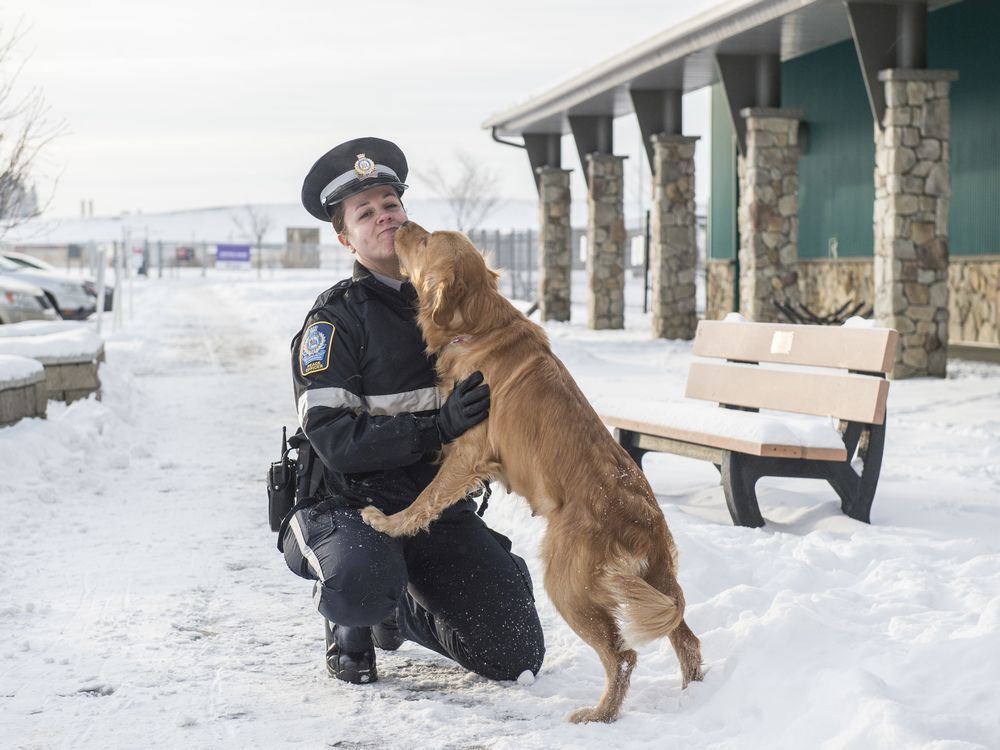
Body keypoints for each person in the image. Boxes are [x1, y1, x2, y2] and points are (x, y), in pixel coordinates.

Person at [281, 137, 545, 686]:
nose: (384, 218)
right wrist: (437, 427)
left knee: (514, 654)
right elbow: (335, 441)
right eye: (365, 212)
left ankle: (398, 612)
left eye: (391, 204)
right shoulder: (333, 323)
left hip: (428, 503)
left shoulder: (446, 302)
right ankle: (353, 617)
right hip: (347, 505)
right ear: (344, 237)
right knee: (361, 578)